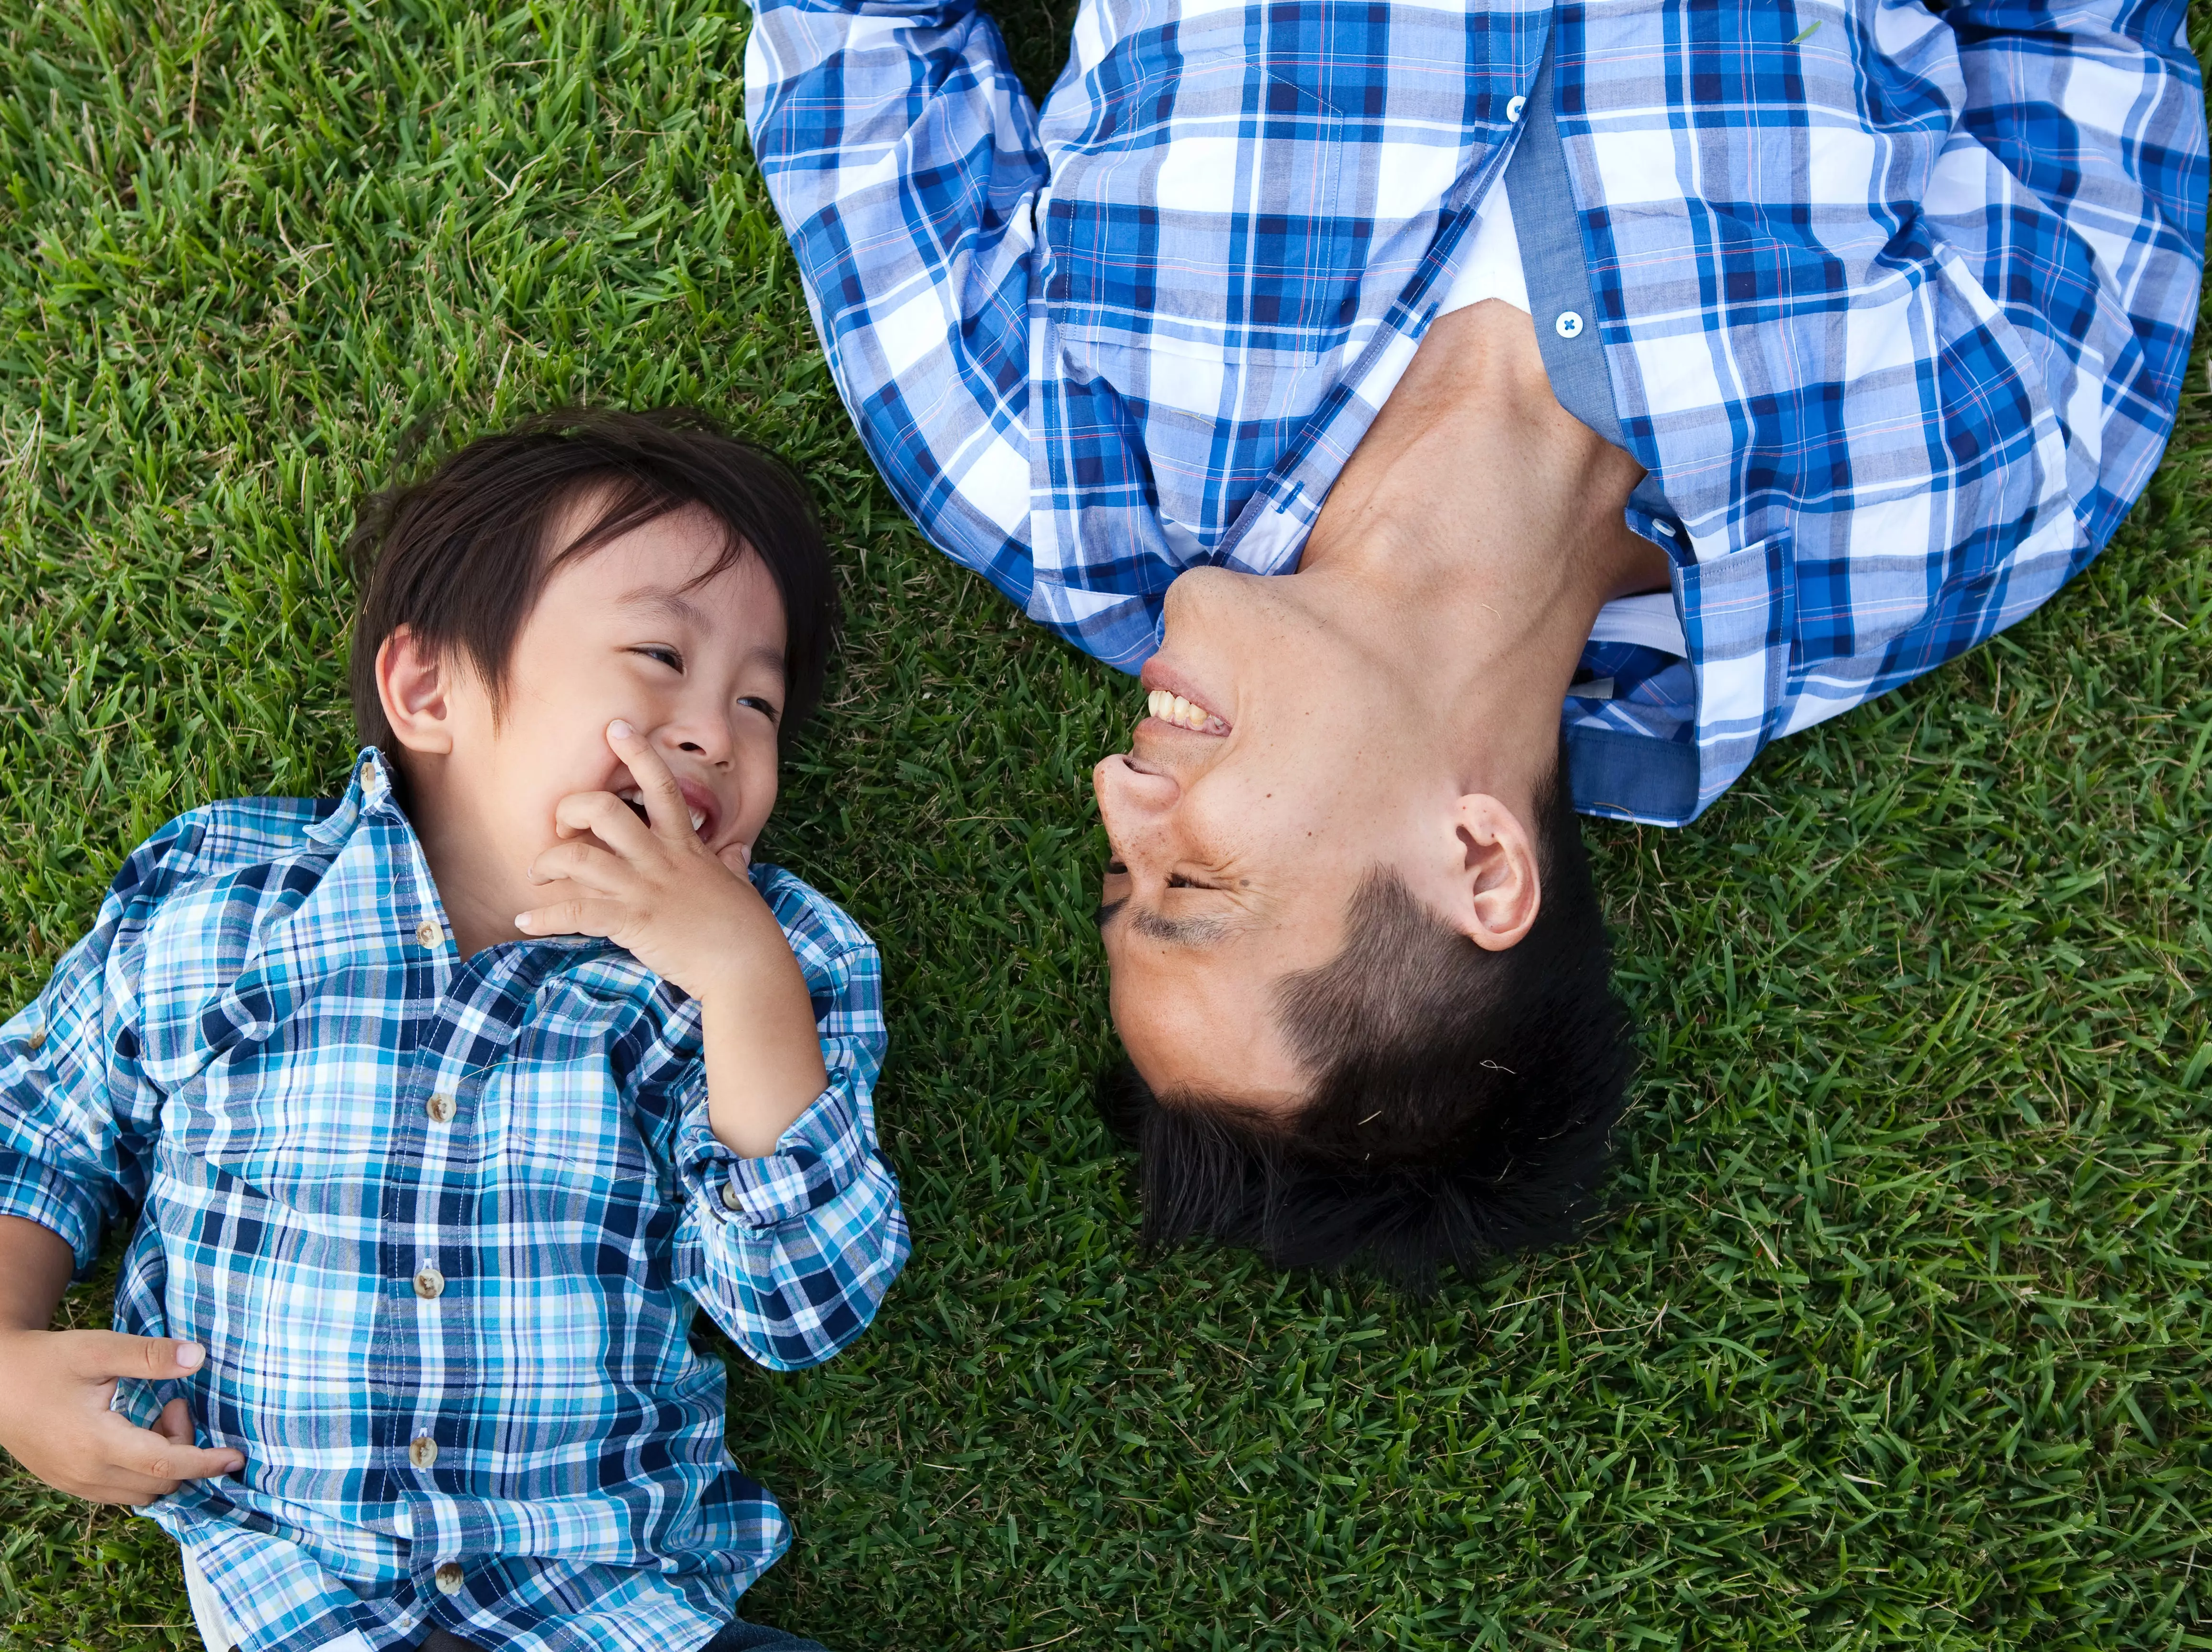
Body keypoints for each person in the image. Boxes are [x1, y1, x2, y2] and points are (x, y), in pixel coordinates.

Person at [741, 0, 2206, 1291]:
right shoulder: (1958, 493)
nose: (1118, 795)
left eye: (1114, 872)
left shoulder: (1043, 467)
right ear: (1481, 864)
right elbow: (2075, 47)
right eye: (1193, 883)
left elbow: (857, 56)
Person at [0, 409, 907, 1652]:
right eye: (660, 654)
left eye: (761, 703)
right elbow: (38, 1120)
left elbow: (799, 1301)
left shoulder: (753, 975)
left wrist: (737, 970)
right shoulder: (236, 905)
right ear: (430, 689)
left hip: (613, 1608)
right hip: (301, 1598)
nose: (717, 729)